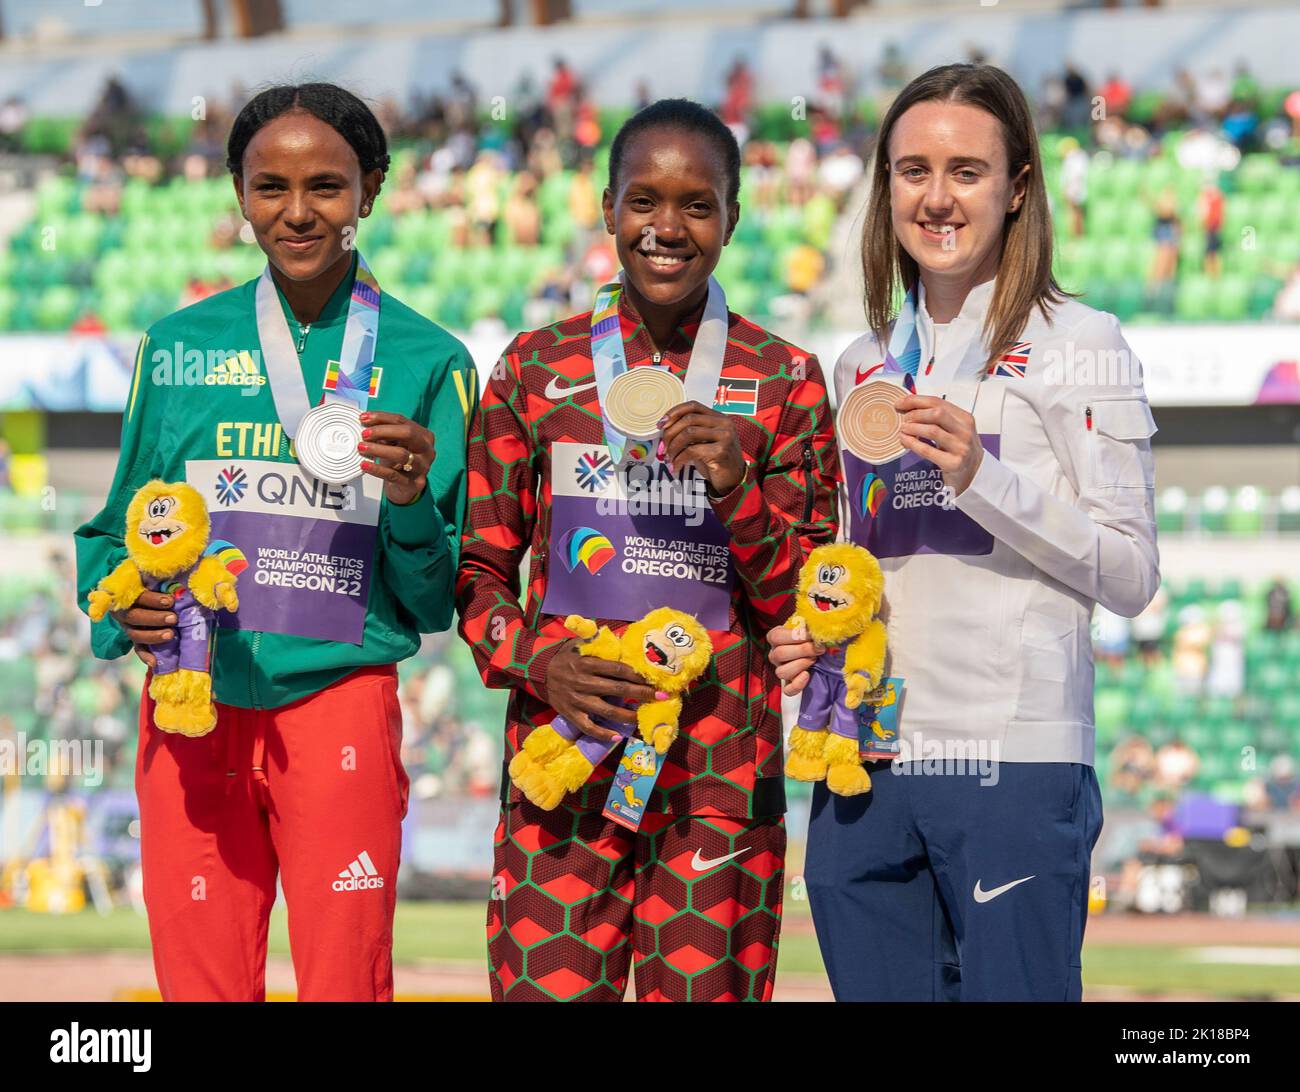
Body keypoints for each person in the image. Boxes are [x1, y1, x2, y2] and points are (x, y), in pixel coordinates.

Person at [74, 83, 476, 1001]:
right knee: (199, 987)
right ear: (237, 191)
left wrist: (411, 499)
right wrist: (123, 603)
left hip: (338, 706)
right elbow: (110, 533)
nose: (298, 213)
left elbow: (435, 597)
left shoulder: (431, 361)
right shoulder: (176, 346)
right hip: (189, 706)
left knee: (344, 983)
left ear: (371, 189)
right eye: (270, 187)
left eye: (327, 186)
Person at [767, 64, 1159, 1002]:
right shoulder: (861, 357)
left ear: (1018, 186)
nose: (936, 197)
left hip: (1010, 758)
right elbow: (865, 566)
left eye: (966, 171)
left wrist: (984, 479)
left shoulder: (1084, 340)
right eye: (912, 171)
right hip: (868, 751)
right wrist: (812, 638)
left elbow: (1133, 574)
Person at [456, 98, 839, 1002]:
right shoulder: (532, 369)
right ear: (607, 208)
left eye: (697, 205)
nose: (667, 228)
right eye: (644, 201)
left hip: (721, 779)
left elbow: (810, 602)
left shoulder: (783, 380)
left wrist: (738, 490)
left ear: (733, 219)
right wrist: (541, 665)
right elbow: (475, 575)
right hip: (565, 763)